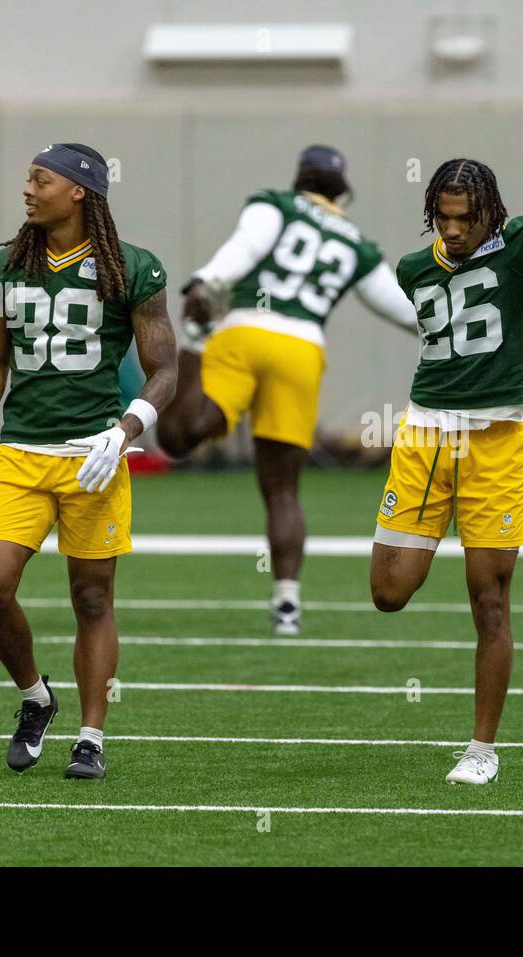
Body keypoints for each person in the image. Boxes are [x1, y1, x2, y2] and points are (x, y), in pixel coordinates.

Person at [369, 99, 523, 785]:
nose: (455, 228)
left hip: (496, 440)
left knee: (489, 598)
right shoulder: (416, 267)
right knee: (388, 592)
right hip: (425, 437)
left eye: (467, 216)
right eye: (444, 215)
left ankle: (481, 748)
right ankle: (435, 528)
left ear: (490, 212)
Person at [0, 143, 177, 780]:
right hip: (21, 451)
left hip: (92, 453)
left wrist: (128, 428)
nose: (27, 189)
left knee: (92, 598)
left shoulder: (132, 267)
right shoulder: (4, 266)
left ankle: (92, 736)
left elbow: (166, 369)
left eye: (39, 179)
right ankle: (35, 697)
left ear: (78, 190)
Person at [156, 145, 416, 637]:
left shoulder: (275, 203)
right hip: (302, 347)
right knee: (282, 490)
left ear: (300, 178)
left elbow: (247, 247)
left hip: (245, 329)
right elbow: (403, 311)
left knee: (181, 435)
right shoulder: (357, 242)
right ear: (342, 190)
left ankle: (192, 348)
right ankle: (287, 604)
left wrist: (207, 281)